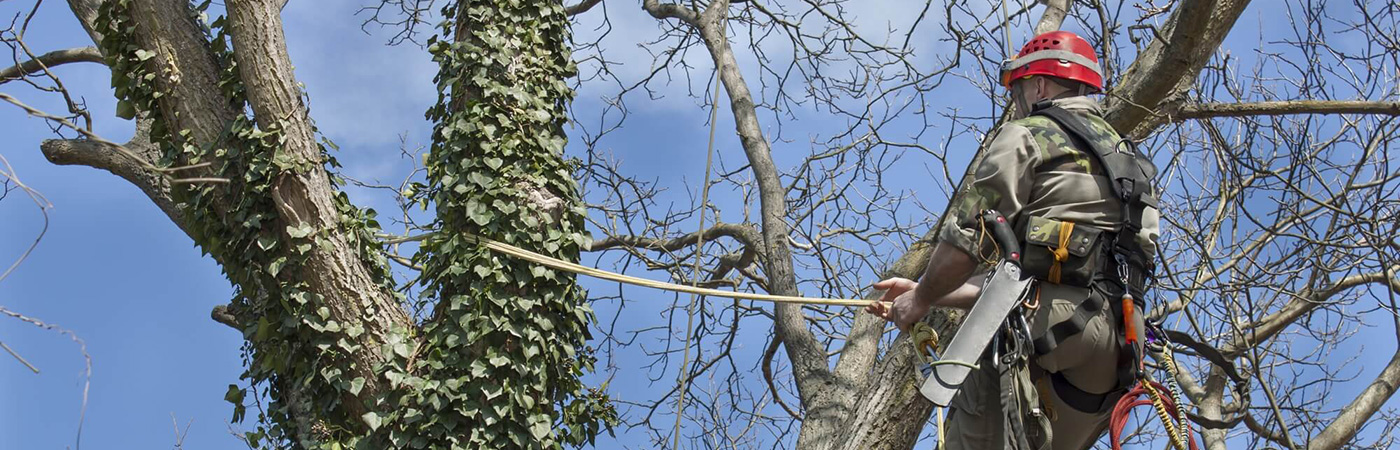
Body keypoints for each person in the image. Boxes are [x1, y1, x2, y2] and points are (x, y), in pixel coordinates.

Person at [867, 30, 1161, 450]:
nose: (1016, 102)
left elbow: (969, 240)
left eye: (1017, 90)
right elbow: (1043, 277)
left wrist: (921, 299)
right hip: (1116, 351)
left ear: (1039, 85)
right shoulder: (1133, 165)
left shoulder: (1028, 133)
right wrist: (930, 293)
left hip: (1046, 328)